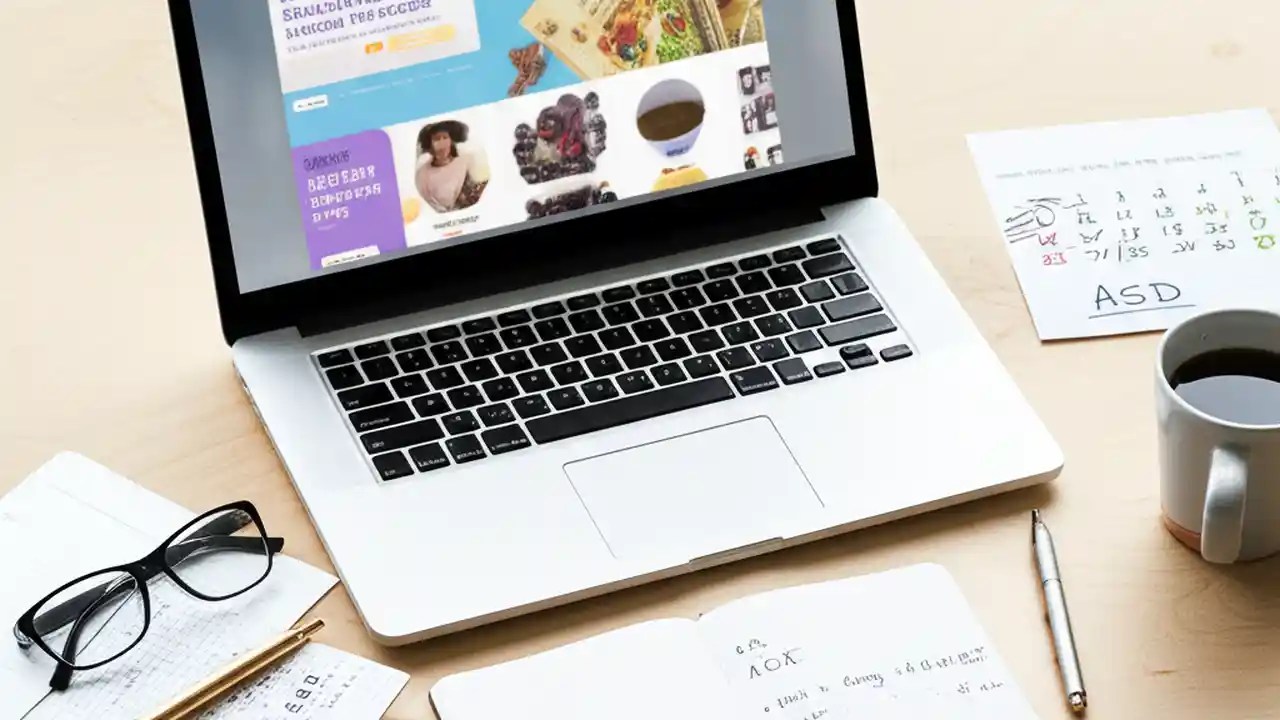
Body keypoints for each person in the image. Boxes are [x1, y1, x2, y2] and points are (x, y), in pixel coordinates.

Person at [415, 120, 487, 213]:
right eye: (437, 139)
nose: (442, 143)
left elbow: (480, 185)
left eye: (445, 137)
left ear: (451, 140)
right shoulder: (423, 174)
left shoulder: (466, 161)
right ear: (430, 144)